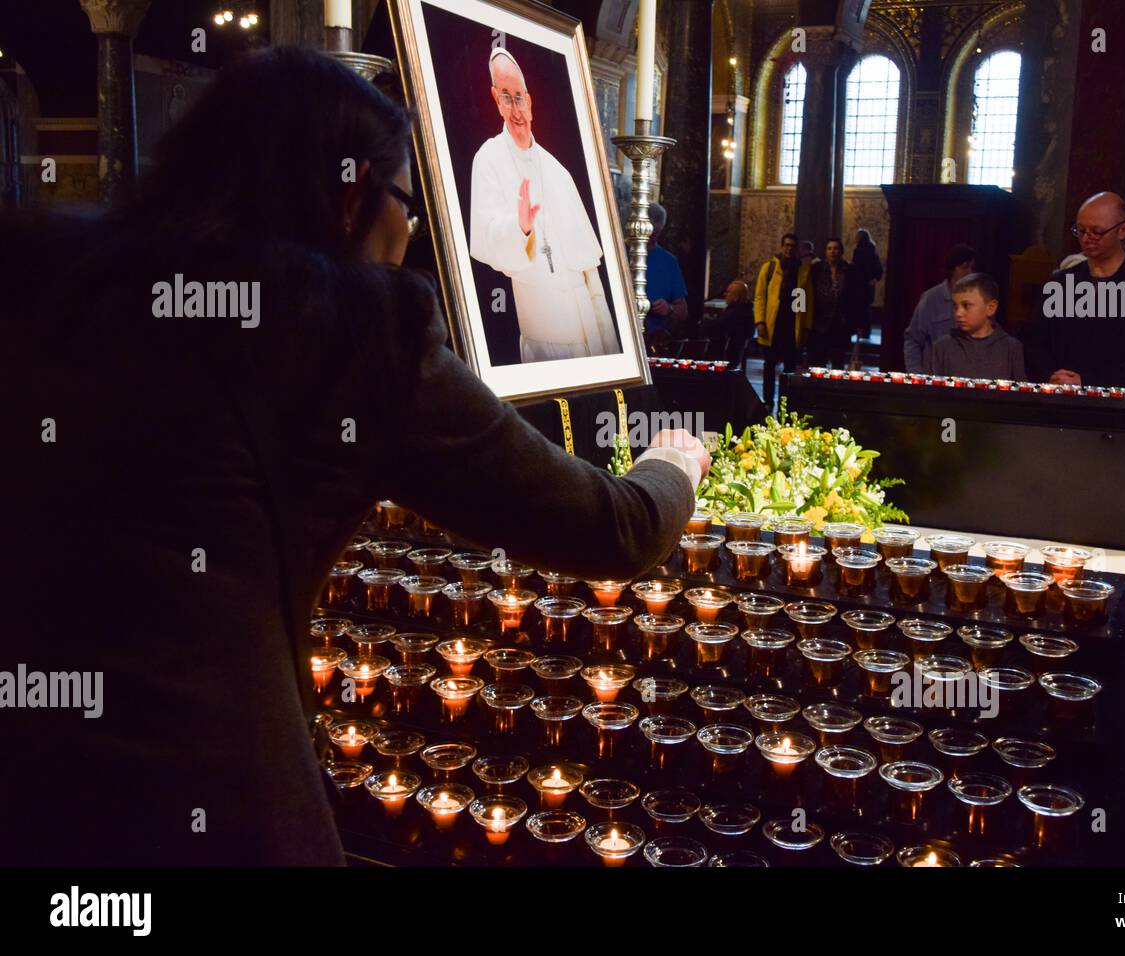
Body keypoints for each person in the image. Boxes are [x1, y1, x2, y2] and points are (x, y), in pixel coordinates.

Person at [0, 48, 708, 865]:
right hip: (206, 798)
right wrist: (672, 464)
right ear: (352, 194)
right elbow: (610, 528)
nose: (408, 231)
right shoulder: (341, 328)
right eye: (406, 202)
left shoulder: (50, 279)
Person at [469, 47, 619, 362]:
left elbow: (588, 267)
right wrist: (520, 227)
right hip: (543, 324)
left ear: (531, 101)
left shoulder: (556, 169)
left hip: (586, 319)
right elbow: (487, 235)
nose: (516, 110)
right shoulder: (488, 158)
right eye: (506, 97)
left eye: (519, 97)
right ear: (495, 99)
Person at [1024, 191, 1125, 387]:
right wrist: (1052, 376)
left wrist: (1087, 381)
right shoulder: (1060, 284)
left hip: (1118, 406)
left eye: (1096, 231)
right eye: (1081, 230)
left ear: (1123, 230)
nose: (1086, 238)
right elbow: (1035, 341)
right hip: (1059, 398)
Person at [922, 273, 1025, 379]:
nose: (958, 313)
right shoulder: (942, 347)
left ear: (991, 308)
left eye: (966, 305)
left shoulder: (1011, 348)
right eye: (955, 306)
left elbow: (1019, 393)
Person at [754, 232, 815, 406]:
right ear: (782, 247)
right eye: (786, 245)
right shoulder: (770, 267)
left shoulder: (801, 271)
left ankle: (786, 401)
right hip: (772, 322)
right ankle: (768, 399)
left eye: (792, 246)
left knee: (790, 365)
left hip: (791, 323)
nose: (788, 248)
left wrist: (805, 327)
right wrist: (760, 321)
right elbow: (760, 296)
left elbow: (804, 301)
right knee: (769, 364)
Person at [903, 243, 977, 372]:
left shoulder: (979, 299)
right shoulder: (931, 299)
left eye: (972, 267)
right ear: (952, 269)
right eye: (965, 267)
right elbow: (913, 339)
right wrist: (916, 375)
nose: (970, 272)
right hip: (935, 378)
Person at [808, 237, 858, 368]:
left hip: (840, 324)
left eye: (835, 248)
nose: (832, 252)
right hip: (818, 324)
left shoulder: (849, 271)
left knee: (838, 363)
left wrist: (856, 323)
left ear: (841, 251)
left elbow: (857, 298)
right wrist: (799, 313)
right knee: (817, 363)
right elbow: (803, 291)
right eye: (829, 248)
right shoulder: (816, 269)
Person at [643, 201, 688, 345]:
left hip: (656, 338)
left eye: (654, 235)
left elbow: (683, 310)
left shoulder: (668, 262)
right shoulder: (619, 254)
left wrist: (669, 308)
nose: (650, 239)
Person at [700, 278, 754, 366]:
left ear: (736, 297)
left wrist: (702, 323)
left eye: (728, 292)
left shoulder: (736, 313)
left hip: (724, 358)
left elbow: (716, 327)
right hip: (734, 356)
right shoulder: (746, 310)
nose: (725, 294)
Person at [850, 227, 884, 339]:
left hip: (861, 284)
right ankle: (864, 331)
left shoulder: (860, 251)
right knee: (864, 309)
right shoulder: (871, 250)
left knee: (861, 308)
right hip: (865, 284)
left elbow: (857, 267)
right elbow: (878, 269)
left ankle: (860, 330)